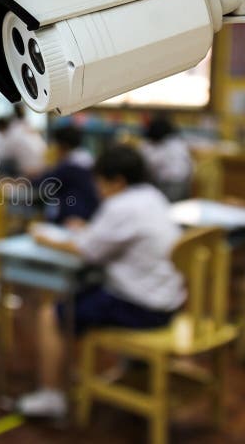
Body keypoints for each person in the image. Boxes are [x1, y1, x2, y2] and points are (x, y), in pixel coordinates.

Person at [17, 145, 186, 417]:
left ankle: (51, 396)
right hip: (168, 301)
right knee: (85, 294)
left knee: (52, 315)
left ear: (117, 181)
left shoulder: (120, 206)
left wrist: (45, 239)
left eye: (100, 181)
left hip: (141, 307)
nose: (97, 188)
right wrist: (88, 231)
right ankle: (126, 369)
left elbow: (86, 251)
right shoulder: (152, 196)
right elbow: (111, 238)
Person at [33, 125, 99, 224]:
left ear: (62, 145)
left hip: (73, 215)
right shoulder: (86, 158)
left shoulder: (70, 166)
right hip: (89, 212)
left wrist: (25, 180)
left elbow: (43, 181)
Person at [140, 114, 193, 201]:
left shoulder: (165, 145)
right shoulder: (179, 143)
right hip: (184, 182)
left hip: (169, 183)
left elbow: (151, 163)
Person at [0, 106, 47, 178]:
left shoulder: (13, 131)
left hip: (30, 171)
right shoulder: (28, 126)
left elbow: (3, 155)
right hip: (44, 166)